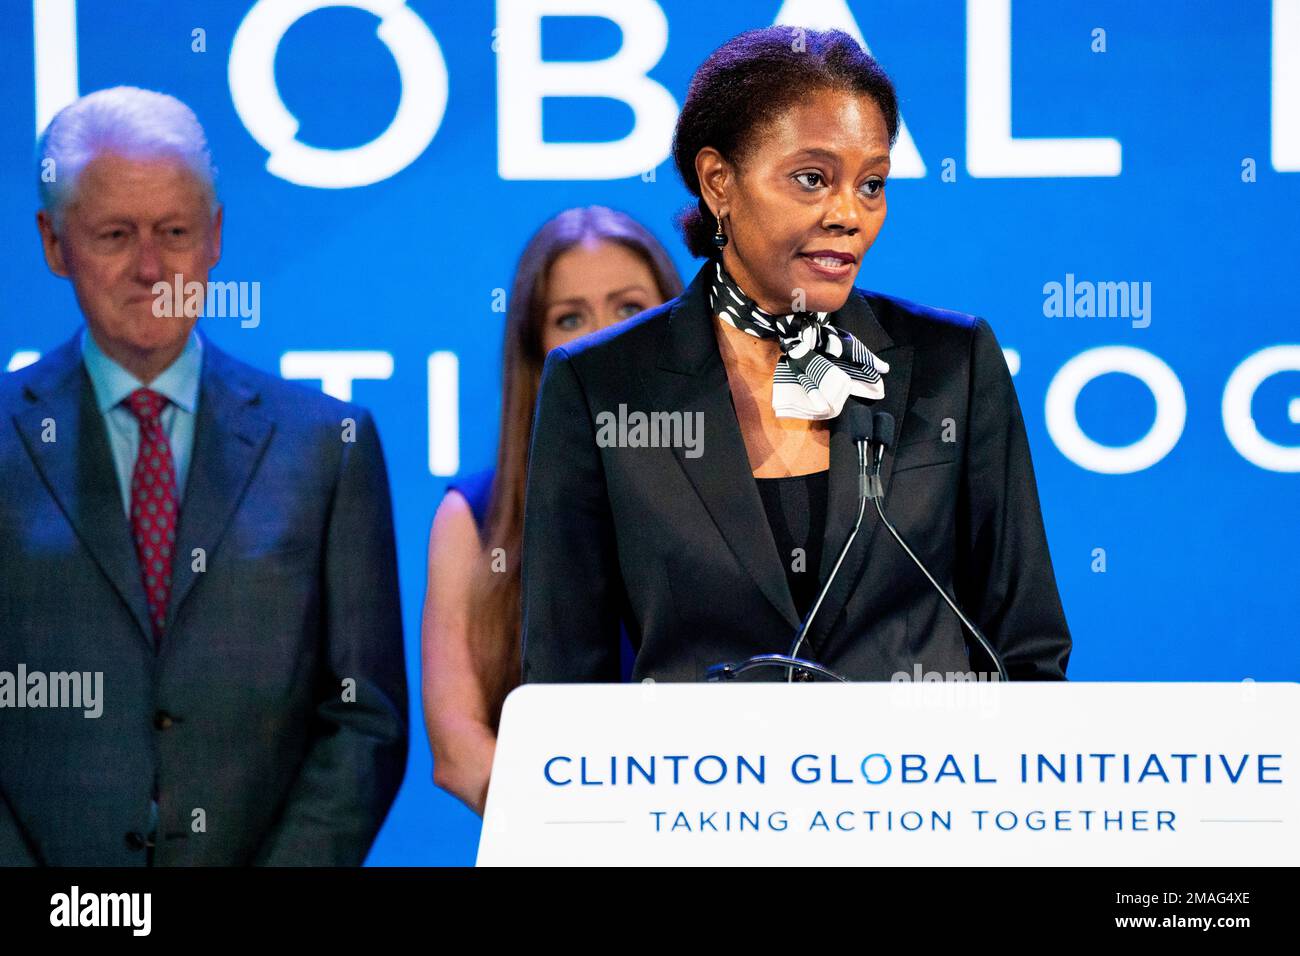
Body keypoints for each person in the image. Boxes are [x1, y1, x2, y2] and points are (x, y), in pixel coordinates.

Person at [520, 28, 1072, 684]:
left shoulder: (955, 364)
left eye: (872, 184)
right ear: (718, 182)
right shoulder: (600, 384)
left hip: (918, 754)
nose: (850, 214)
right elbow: (563, 683)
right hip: (700, 755)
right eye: (813, 179)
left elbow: (1029, 651)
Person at [0, 86, 407, 865]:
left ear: (215, 236)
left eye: (176, 233)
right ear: (54, 244)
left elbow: (365, 720)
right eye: (115, 235)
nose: (152, 268)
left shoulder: (329, 446)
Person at [421, 207, 682, 816]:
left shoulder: (746, 494)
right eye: (570, 318)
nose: (602, 337)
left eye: (630, 308)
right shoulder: (473, 517)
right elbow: (458, 749)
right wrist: (576, 827)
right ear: (535, 351)